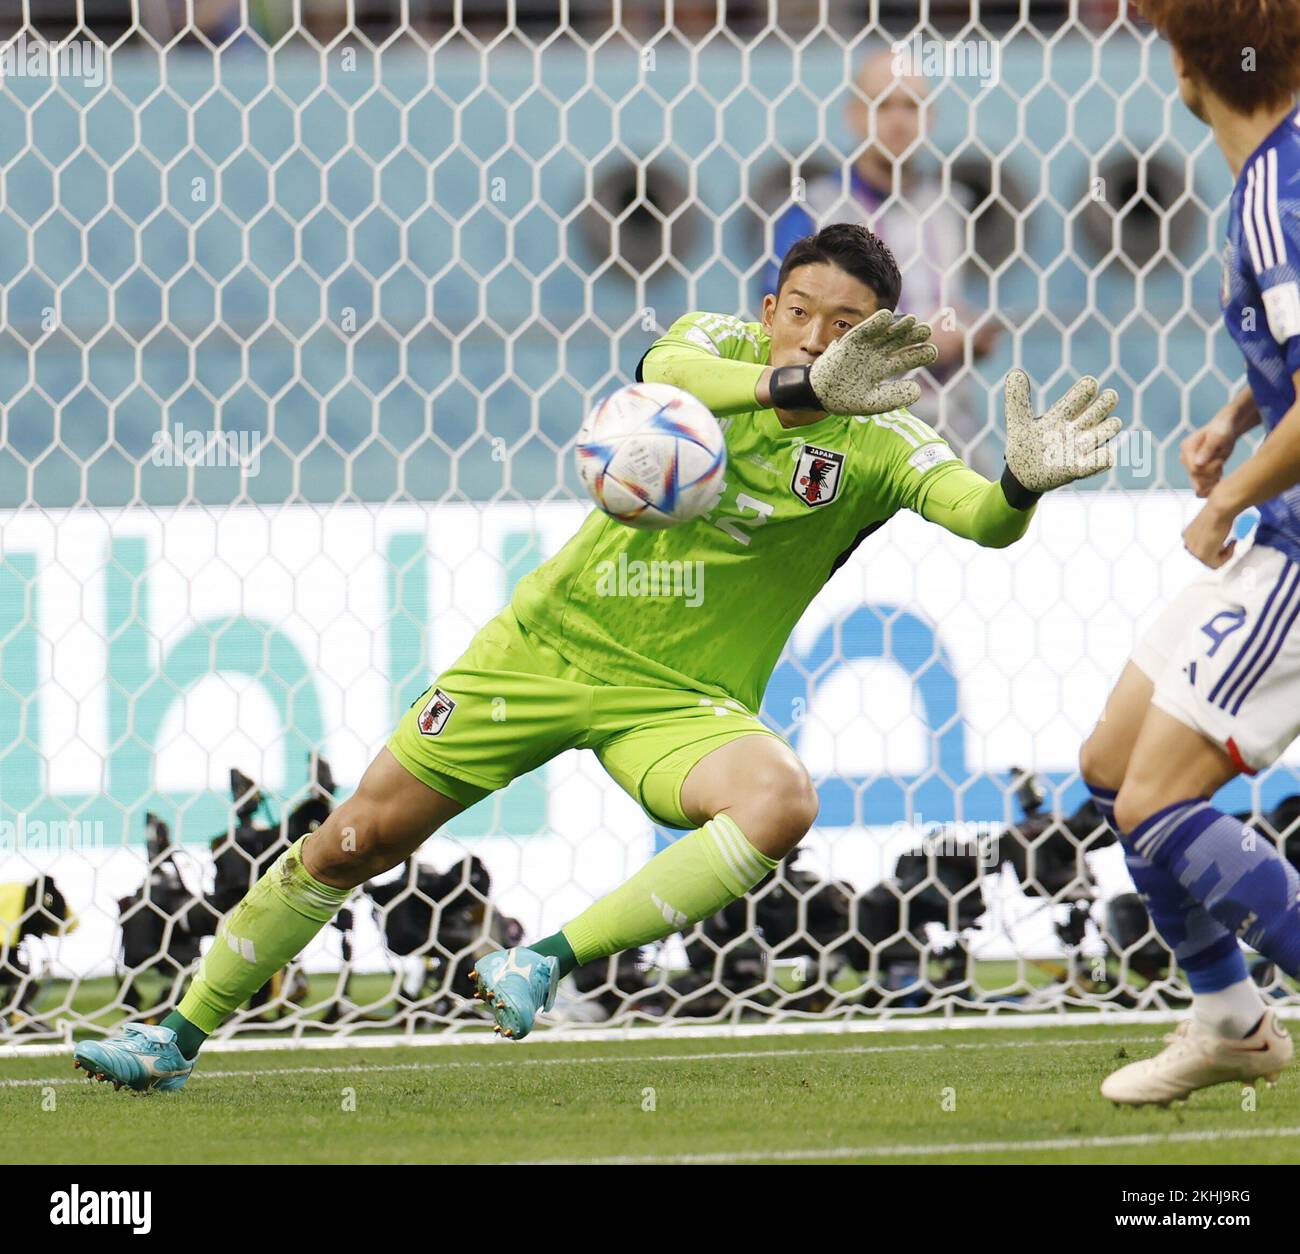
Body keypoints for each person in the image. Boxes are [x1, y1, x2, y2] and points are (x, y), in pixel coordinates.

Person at [74, 223, 1119, 1090]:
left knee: (779, 801)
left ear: (883, 341)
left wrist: (1020, 485)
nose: (816, 335)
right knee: (349, 842)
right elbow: (661, 367)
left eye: (846, 326)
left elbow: (977, 516)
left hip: (680, 701)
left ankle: (540, 962)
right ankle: (174, 1038)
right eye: (798, 311)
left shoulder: (885, 445)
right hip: (540, 651)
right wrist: (794, 379)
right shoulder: (711, 350)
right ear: (767, 313)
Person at [1079, 0, 1300, 1105]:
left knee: (1155, 806)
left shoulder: (1275, 194)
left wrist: (1230, 501)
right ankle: (1230, 1023)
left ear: (1185, 62)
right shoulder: (1276, 171)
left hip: (1295, 554)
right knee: (1115, 765)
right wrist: (1235, 415)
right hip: (1280, 531)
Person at [767, 49, 999, 457]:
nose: (898, 121)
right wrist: (922, 344)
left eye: (910, 106)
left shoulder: (950, 208)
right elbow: (781, 331)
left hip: (947, 429)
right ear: (855, 115)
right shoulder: (814, 210)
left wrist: (971, 335)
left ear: (929, 118)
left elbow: (953, 306)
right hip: (850, 432)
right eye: (883, 104)